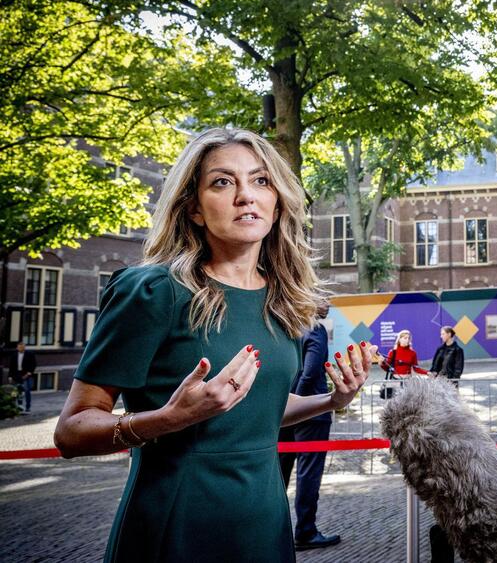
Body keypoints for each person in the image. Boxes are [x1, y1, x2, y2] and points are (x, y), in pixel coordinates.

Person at [53, 128, 376, 563]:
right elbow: (71, 432)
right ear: (195, 209)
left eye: (261, 181)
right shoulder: (153, 290)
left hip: (264, 526)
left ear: (277, 201)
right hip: (178, 525)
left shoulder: (283, 299)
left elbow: (257, 410)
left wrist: (331, 399)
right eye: (223, 182)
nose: (247, 195)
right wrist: (167, 419)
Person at [278, 298, 340, 550]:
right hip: (311, 414)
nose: (328, 303)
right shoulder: (315, 328)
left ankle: (275, 531)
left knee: (279, 473)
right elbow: (312, 370)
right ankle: (305, 531)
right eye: (322, 297)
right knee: (309, 473)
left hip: (283, 412)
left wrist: (285, 403)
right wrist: (301, 402)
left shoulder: (287, 327)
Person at [8, 342, 37, 413]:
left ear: (24, 347)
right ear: (17, 348)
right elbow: (11, 366)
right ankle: (16, 406)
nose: (20, 348)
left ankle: (28, 407)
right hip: (16, 375)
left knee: (27, 391)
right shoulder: (14, 355)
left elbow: (33, 364)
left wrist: (29, 373)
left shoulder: (30, 354)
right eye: (19, 347)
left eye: (22, 347)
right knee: (15, 391)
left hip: (26, 375)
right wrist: (10, 376)